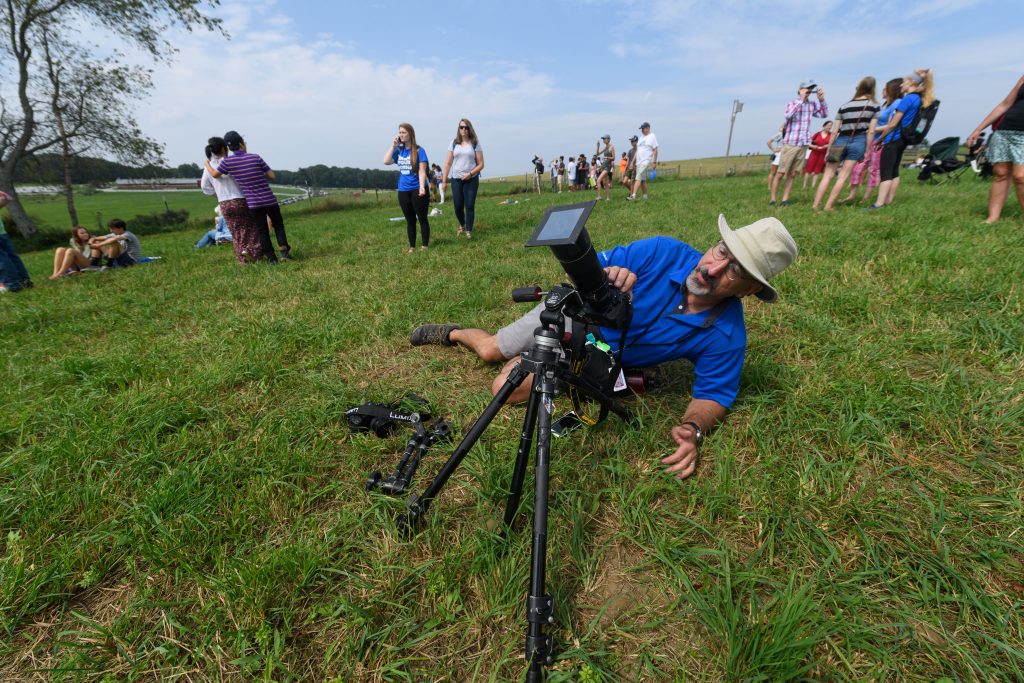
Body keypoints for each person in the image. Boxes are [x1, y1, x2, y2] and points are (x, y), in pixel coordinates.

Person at [409, 215, 798, 480]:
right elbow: (583, 267)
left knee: (504, 388)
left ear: (750, 290)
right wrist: (607, 276)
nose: (712, 268)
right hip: (574, 315)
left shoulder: (726, 333)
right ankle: (457, 333)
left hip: (599, 357)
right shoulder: (663, 251)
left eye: (735, 271)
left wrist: (692, 428)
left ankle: (547, 364)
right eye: (721, 251)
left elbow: (714, 394)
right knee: (492, 352)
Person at [204, 131, 291, 262]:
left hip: (253, 203)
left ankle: (271, 258)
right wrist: (258, 173)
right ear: (241, 144)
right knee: (278, 225)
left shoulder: (228, 162)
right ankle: (284, 252)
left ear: (229, 147)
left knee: (262, 230)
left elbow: (215, 175)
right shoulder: (255, 157)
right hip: (269, 199)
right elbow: (272, 176)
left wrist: (207, 164)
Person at [869, 69, 935, 210]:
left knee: (886, 172)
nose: (901, 85)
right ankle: (888, 200)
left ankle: (879, 203)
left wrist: (881, 138)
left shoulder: (908, 99)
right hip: (903, 139)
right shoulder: (918, 98)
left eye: (904, 82)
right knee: (894, 171)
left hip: (893, 138)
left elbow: (893, 123)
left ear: (912, 82)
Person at [813, 77, 880, 212]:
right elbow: (871, 131)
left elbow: (834, 131)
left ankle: (815, 205)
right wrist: (867, 150)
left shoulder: (844, 106)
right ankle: (828, 206)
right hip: (859, 141)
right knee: (843, 176)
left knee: (827, 175)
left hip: (840, 140)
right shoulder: (874, 106)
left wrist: (829, 149)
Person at [967, 74, 1024, 224]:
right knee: (1001, 174)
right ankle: (992, 218)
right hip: (1005, 131)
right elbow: (1004, 105)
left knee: (1020, 177)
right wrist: (978, 129)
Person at [201, 136, 264, 263]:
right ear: (224, 148)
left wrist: (219, 195)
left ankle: (242, 258)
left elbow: (204, 186)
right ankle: (255, 255)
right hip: (241, 199)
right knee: (251, 227)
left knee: (235, 231)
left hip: (224, 203)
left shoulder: (209, 167)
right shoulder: (231, 161)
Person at [770, 80, 829, 206]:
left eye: (811, 88)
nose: (809, 90)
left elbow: (824, 115)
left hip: (803, 144)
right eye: (807, 88)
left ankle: (785, 199)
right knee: (780, 173)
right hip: (790, 143)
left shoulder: (812, 104)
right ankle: (773, 199)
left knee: (793, 174)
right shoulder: (792, 103)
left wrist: (821, 100)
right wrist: (801, 100)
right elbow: (788, 115)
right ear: (800, 90)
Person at [385, 122, 431, 252]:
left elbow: (422, 171)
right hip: (403, 190)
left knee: (422, 218)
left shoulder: (419, 151)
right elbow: (386, 161)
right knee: (410, 220)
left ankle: (425, 246)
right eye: (400, 132)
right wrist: (393, 146)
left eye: (404, 132)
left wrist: (422, 187)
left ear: (410, 134)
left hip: (417, 188)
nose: (401, 135)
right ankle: (412, 247)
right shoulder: (399, 150)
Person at [441, 118, 485, 240]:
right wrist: (444, 181)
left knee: (469, 205)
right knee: (458, 206)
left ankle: (469, 230)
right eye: (461, 127)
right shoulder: (454, 143)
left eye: (466, 127)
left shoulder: (475, 143)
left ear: (470, 129)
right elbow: (448, 163)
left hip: (471, 179)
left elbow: (481, 164)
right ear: (459, 129)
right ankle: (462, 225)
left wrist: (470, 174)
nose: (464, 129)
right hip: (456, 179)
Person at [0, 190, 33, 293]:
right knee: (12, 257)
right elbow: (5, 197)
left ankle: (13, 284)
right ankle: (24, 280)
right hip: (2, 233)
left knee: (2, 260)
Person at [628, 122, 658, 201]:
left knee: (638, 177)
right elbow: (637, 151)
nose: (641, 130)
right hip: (639, 162)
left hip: (645, 161)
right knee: (642, 180)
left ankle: (633, 196)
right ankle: (645, 196)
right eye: (641, 129)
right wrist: (632, 162)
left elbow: (655, 149)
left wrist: (654, 162)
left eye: (643, 128)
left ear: (648, 128)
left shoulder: (652, 136)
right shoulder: (641, 138)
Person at [802, 121, 832, 189]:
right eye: (828, 125)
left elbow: (832, 143)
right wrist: (813, 146)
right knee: (808, 168)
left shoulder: (831, 135)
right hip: (814, 153)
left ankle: (813, 186)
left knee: (817, 170)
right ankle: (804, 185)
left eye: (831, 126)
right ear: (824, 126)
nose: (830, 127)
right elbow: (808, 142)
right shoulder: (817, 134)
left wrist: (827, 145)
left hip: (823, 154)